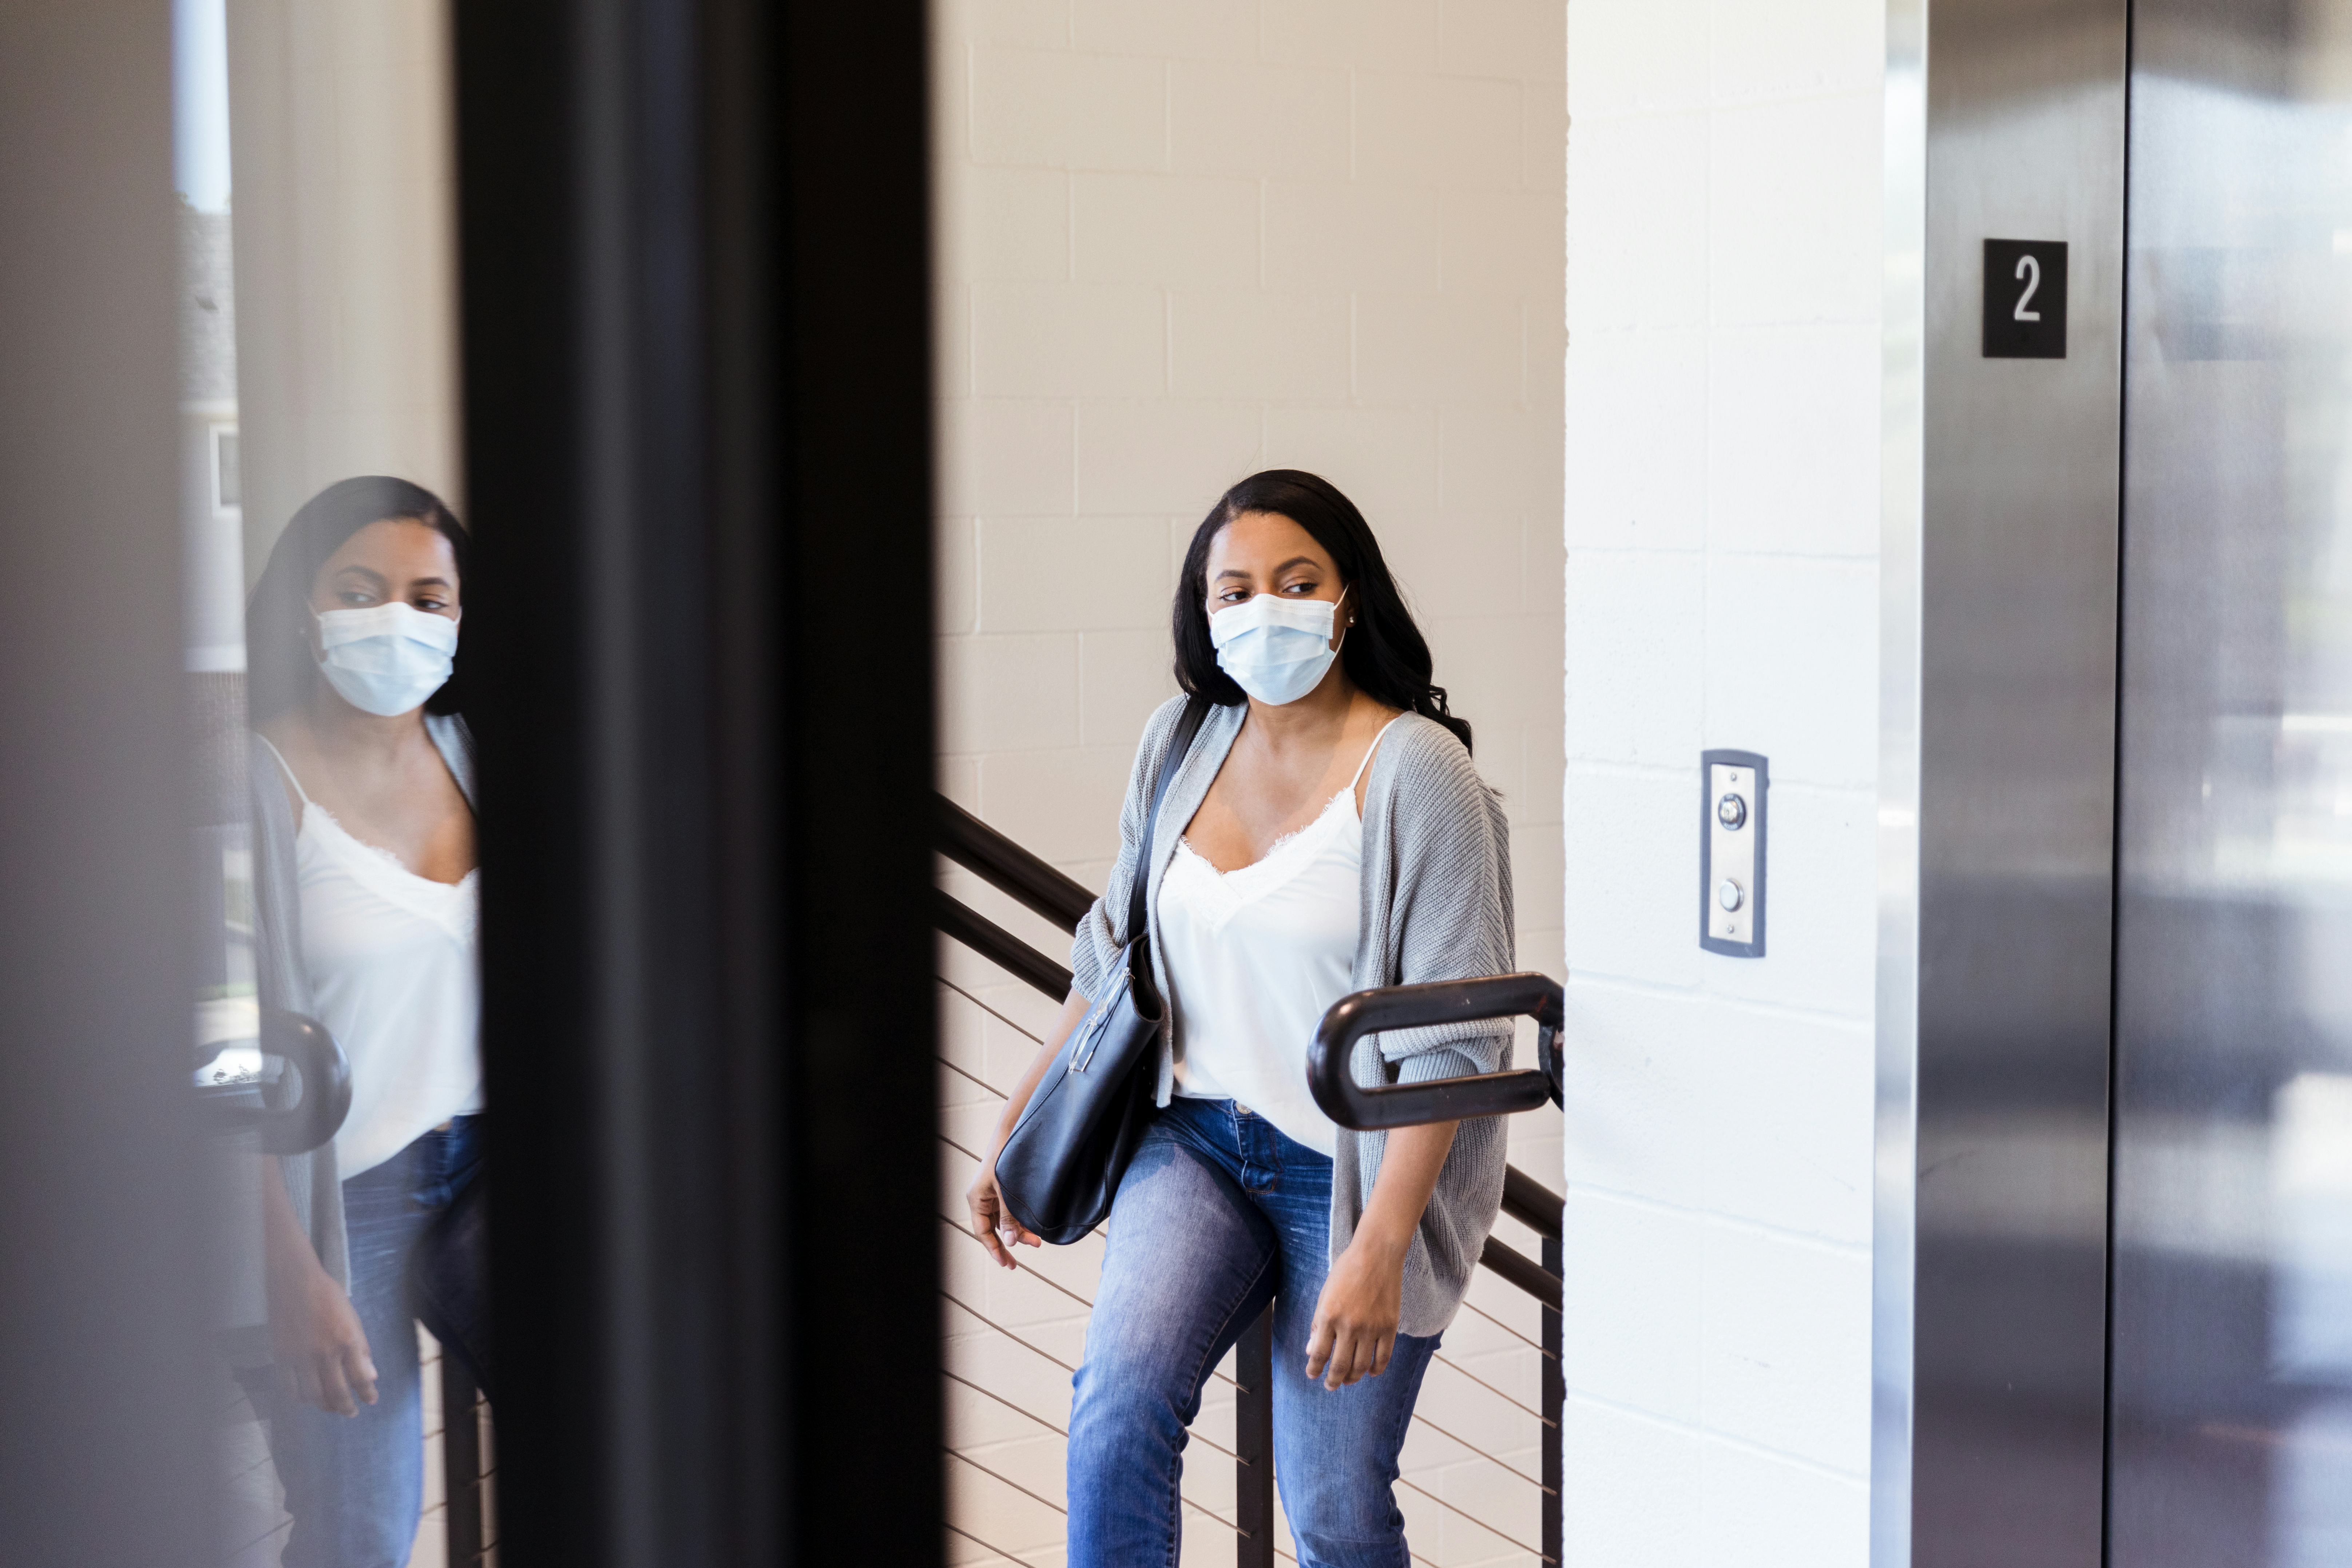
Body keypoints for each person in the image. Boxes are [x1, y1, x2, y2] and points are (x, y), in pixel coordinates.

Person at [965, 470, 1515, 1567]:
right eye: (1235, 591)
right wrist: (1017, 1124)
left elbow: (1456, 1044)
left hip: (1351, 1174)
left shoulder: (1419, 770)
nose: (1265, 608)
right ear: (1204, 613)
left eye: (1296, 581)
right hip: (1197, 1141)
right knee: (1116, 1419)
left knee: (1335, 1511)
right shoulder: (1179, 740)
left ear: (1348, 595)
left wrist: (1380, 1245)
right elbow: (1111, 959)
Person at [241, 476, 486, 1568]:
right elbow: (213, 1063)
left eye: (429, 598)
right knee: (360, 1536)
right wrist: (285, 1273)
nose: (397, 618)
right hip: (339, 1206)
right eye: (360, 590)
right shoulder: (247, 781)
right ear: (305, 604)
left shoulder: (475, 751)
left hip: (485, 1172)